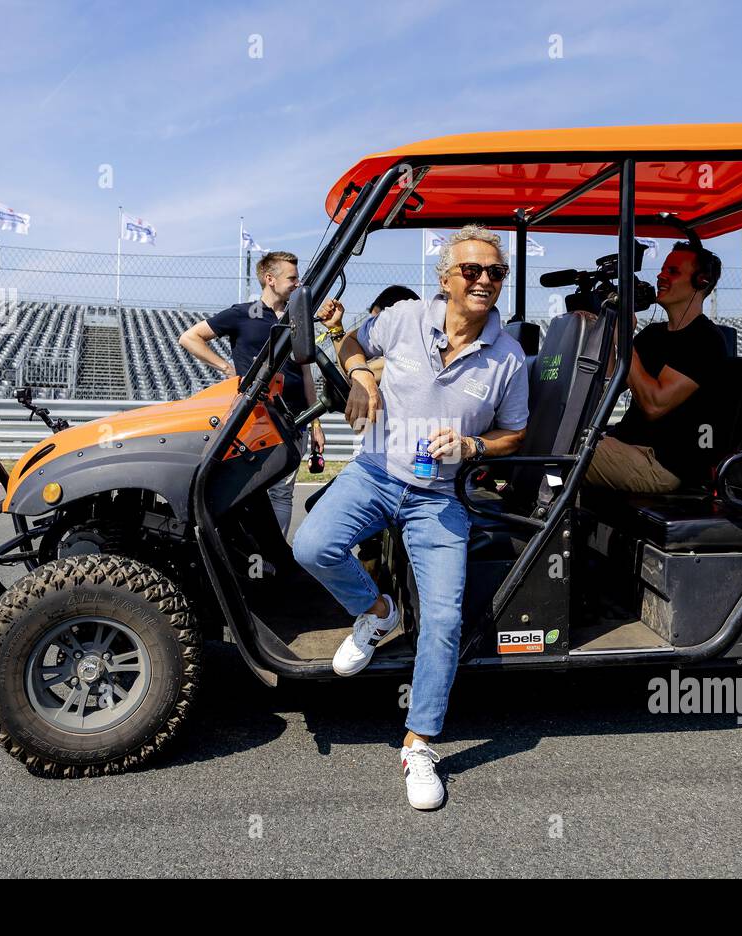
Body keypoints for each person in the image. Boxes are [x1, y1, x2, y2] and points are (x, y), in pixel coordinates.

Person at [292, 226, 528, 810]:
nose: (483, 280)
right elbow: (348, 342)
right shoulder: (400, 317)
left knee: (445, 621)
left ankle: (419, 743)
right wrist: (364, 375)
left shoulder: (509, 357)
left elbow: (516, 433)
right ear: (445, 278)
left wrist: (473, 448)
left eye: (494, 273)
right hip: (375, 470)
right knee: (312, 546)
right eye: (471, 270)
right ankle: (376, 611)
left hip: (438, 496)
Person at [179, 251, 325, 534]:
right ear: (270, 279)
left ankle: (273, 561)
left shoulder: (299, 319)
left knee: (282, 493)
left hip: (294, 421)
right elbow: (189, 337)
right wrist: (226, 368)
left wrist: (315, 421)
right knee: (247, 490)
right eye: (292, 277)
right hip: (253, 421)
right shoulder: (242, 313)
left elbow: (306, 373)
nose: (298, 283)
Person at [586, 241, 727, 493]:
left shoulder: (704, 339)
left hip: (662, 464)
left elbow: (654, 404)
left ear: (701, 282)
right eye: (663, 270)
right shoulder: (653, 334)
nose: (661, 276)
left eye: (673, 271)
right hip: (627, 447)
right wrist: (606, 328)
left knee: (564, 446)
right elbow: (606, 387)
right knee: (557, 436)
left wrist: (625, 339)